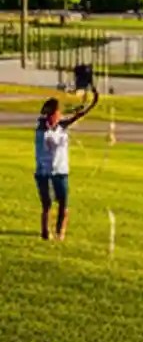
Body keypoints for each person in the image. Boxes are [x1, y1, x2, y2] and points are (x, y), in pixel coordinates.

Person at [34, 87, 98, 241]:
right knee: (47, 204)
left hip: (61, 171)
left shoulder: (61, 125)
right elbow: (47, 129)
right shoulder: (42, 129)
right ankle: (45, 231)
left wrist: (93, 102)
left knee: (63, 203)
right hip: (44, 172)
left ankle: (60, 231)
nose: (58, 116)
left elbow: (78, 116)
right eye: (55, 114)